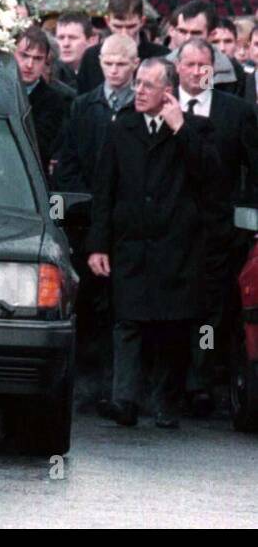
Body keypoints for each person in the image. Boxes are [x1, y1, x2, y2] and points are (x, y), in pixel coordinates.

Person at [89, 57, 220, 429]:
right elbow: (104, 190)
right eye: (138, 83)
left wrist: (181, 130)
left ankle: (165, 402)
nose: (139, 90)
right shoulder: (122, 128)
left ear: (168, 90)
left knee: (170, 328)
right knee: (127, 322)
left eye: (148, 85)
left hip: (177, 248)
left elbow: (210, 177)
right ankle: (124, 400)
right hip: (131, 244)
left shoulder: (196, 128)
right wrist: (98, 244)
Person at [53, 33, 137, 411]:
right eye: (108, 63)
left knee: (124, 309)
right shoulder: (83, 106)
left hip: (128, 223)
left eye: (122, 64)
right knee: (86, 304)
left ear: (134, 64)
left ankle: (119, 388)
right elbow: (66, 160)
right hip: (87, 220)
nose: (115, 71)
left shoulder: (142, 107)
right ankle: (87, 384)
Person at [176, 38, 258, 415]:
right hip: (165, 232)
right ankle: (159, 383)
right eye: (189, 64)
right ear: (177, 67)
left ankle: (200, 382)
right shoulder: (159, 104)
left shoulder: (237, 113)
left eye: (203, 65)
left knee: (209, 314)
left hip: (216, 234)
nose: (197, 72)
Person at [76, 0, 168, 93]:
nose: (124, 33)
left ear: (142, 22)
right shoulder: (91, 56)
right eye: (118, 26)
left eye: (131, 26)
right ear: (108, 21)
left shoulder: (162, 56)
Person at [15, 25, 71, 178]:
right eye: (24, 56)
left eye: (37, 58)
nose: (29, 64)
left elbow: (39, 147)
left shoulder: (55, 101)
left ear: (46, 61)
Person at [53, 11, 95, 91]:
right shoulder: (48, 76)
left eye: (72, 38)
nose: (66, 44)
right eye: (61, 38)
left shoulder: (99, 75)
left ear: (90, 41)